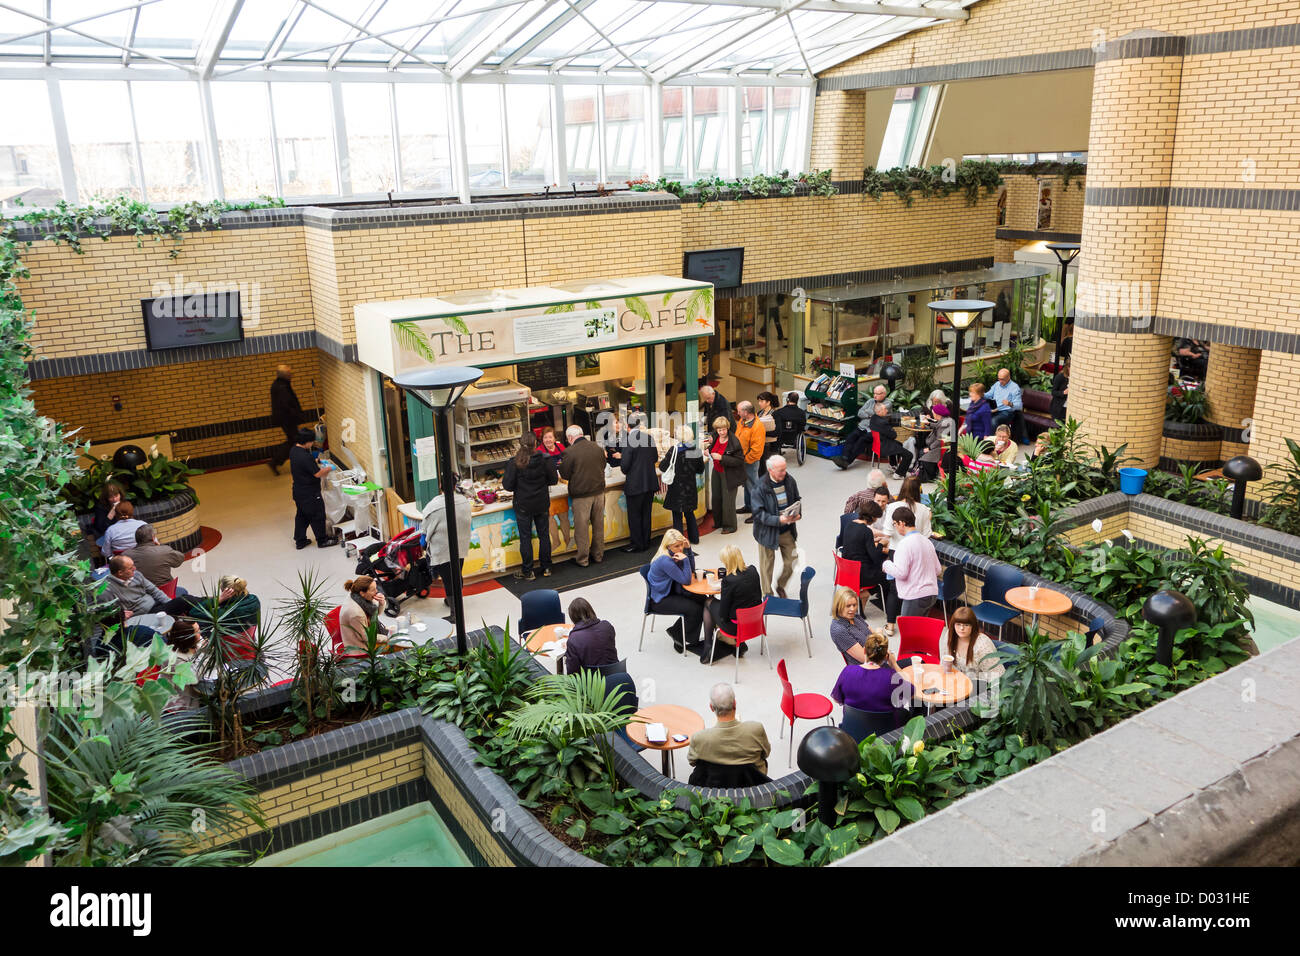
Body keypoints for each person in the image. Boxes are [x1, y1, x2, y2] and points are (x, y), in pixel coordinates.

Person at [503, 432, 559, 580]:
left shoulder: (515, 462)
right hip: (541, 503)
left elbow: (507, 486)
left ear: (521, 445)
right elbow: (553, 480)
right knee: (544, 535)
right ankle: (546, 567)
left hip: (523, 505)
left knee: (525, 538)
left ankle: (528, 571)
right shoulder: (545, 459)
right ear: (536, 444)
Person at [687, 683, 771, 779]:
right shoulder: (756, 729)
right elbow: (766, 753)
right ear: (735, 703)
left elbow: (692, 761)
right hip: (752, 786)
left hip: (715, 788)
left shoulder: (699, 738)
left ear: (711, 707)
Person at [646, 529, 711, 652]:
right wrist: (685, 559)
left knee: (704, 600)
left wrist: (689, 549)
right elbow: (686, 580)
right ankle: (679, 635)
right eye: (677, 546)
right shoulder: (665, 560)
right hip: (660, 599)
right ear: (668, 546)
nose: (680, 548)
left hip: (672, 591)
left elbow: (691, 570)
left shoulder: (673, 554)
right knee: (695, 609)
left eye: (682, 544)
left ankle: (678, 632)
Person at [830, 630, 908, 727]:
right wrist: (894, 664)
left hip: (852, 729)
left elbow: (837, 700)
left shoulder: (847, 671)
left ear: (864, 651)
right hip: (884, 732)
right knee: (910, 711)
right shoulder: (891, 677)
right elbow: (909, 693)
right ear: (886, 656)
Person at [751, 454, 801, 599]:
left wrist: (798, 514)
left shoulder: (789, 480)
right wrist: (779, 520)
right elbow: (759, 514)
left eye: (785, 469)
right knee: (767, 566)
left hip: (786, 530)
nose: (784, 473)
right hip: (767, 532)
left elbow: (797, 499)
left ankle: (780, 585)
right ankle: (767, 595)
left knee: (793, 561)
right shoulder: (760, 487)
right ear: (770, 470)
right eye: (781, 470)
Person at [420, 480, 474, 612]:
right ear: (455, 486)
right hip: (460, 545)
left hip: (441, 548)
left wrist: (424, 543)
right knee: (456, 574)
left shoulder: (433, 506)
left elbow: (426, 529)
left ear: (440, 486)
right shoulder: (464, 501)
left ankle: (455, 613)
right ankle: (453, 600)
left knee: (448, 579)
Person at [559, 424, 607, 567]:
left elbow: (565, 474)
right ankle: (598, 555)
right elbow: (603, 465)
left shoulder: (569, 452)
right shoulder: (597, 447)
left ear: (570, 437)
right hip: (599, 493)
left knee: (582, 529)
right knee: (599, 525)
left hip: (581, 496)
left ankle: (583, 559)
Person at [704, 545, 761, 663]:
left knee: (708, 602)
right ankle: (738, 644)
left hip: (736, 628)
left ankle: (708, 646)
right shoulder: (753, 570)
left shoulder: (728, 580)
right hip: (755, 622)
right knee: (741, 605)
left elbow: (723, 614)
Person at [881, 507, 941, 619]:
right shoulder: (927, 541)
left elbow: (901, 573)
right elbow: (937, 570)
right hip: (931, 594)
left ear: (902, 523)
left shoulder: (904, 544)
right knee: (920, 632)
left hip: (914, 596)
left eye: (895, 524)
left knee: (908, 632)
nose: (895, 527)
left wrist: (886, 564)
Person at [290, 428, 338, 549]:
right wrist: (329, 468)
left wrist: (317, 460)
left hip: (298, 491)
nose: (312, 443)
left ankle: (300, 541)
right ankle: (322, 540)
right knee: (317, 515)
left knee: (302, 516)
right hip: (310, 493)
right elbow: (317, 474)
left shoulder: (294, 450)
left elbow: (306, 464)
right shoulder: (305, 456)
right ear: (306, 441)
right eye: (312, 441)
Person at [103, 555, 192, 618]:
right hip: (145, 615)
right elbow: (107, 613)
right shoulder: (108, 589)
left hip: (156, 604)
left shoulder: (136, 575)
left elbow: (154, 590)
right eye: (130, 568)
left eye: (133, 565)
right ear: (120, 573)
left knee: (182, 601)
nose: (134, 569)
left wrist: (169, 603)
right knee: (183, 601)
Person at [619, 412, 659, 553]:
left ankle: (637, 544)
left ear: (627, 426)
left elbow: (624, 466)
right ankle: (646, 541)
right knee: (646, 514)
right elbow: (655, 458)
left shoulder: (629, 441)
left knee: (634, 516)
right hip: (650, 483)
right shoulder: (648, 437)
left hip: (635, 485)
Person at [661, 425, 705, 545]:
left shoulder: (674, 450)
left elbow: (662, 467)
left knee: (677, 516)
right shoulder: (695, 451)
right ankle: (694, 539)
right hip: (690, 487)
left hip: (676, 488)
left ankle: (678, 542)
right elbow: (700, 469)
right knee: (690, 514)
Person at [834, 384, 892, 470]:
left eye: (877, 394)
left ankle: (847, 461)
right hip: (863, 426)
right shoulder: (870, 401)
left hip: (876, 430)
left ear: (884, 394)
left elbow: (877, 412)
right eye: (874, 393)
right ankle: (845, 458)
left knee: (862, 440)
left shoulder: (888, 403)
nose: (875, 395)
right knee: (850, 437)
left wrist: (868, 412)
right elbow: (859, 413)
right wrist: (871, 414)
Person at [943, 606, 1005, 680]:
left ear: (973, 626)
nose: (961, 628)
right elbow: (945, 662)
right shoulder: (949, 636)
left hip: (981, 684)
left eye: (966, 625)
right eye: (958, 624)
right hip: (960, 679)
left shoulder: (982, 645)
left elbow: (996, 675)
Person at [560, 597, 619, 674]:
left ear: (573, 617)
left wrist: (570, 650)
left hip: (594, 682)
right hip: (616, 673)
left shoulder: (574, 639)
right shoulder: (607, 626)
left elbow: (572, 672)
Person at [708, 416, 745, 535]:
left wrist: (722, 458)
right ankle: (718, 522)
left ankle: (730, 526)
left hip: (729, 473)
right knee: (717, 498)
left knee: (728, 500)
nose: (722, 432)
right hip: (717, 471)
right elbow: (712, 448)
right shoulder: (715, 437)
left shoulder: (734, 441)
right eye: (719, 430)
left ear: (727, 428)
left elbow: (739, 460)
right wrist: (708, 451)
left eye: (724, 429)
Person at [840, 500, 888, 594]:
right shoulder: (866, 531)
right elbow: (875, 557)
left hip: (848, 572)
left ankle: (863, 596)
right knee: (888, 578)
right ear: (873, 517)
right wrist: (881, 543)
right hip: (861, 575)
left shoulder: (849, 525)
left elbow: (857, 542)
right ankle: (866, 594)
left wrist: (872, 541)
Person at [123, 523, 186, 588]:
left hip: (140, 593)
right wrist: (160, 546)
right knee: (183, 591)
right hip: (166, 591)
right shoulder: (164, 550)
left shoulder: (125, 556)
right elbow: (180, 559)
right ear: (153, 538)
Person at [269, 364, 306, 475]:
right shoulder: (282, 387)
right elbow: (287, 404)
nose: (292, 375)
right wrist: (296, 414)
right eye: (290, 373)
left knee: (293, 440)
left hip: (285, 418)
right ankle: (275, 461)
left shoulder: (279, 384)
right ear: (285, 375)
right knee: (293, 440)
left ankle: (276, 461)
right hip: (287, 418)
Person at [733, 401, 766, 521]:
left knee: (753, 486)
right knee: (746, 484)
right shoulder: (742, 422)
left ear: (746, 412)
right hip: (742, 459)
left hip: (750, 462)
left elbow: (756, 450)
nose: (737, 413)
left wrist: (744, 460)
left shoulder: (757, 427)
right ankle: (748, 506)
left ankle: (757, 512)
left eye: (739, 411)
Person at [339, 576, 390, 652]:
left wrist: (382, 603)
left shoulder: (358, 595)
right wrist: (386, 638)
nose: (376, 591)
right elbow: (364, 637)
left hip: (366, 630)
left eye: (376, 588)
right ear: (362, 593)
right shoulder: (356, 614)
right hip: (360, 646)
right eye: (373, 590)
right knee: (394, 645)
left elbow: (376, 613)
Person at [828, 586, 876, 663]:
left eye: (854, 605)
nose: (852, 609)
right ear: (838, 606)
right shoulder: (839, 630)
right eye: (848, 606)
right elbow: (867, 659)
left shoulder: (855, 616)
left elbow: (874, 635)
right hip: (867, 670)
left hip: (880, 659)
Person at [884, 476, 932, 543]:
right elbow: (926, 535)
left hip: (896, 550)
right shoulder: (925, 509)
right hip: (916, 548)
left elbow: (887, 533)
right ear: (919, 490)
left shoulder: (891, 506)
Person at [88, 481, 127, 558]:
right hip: (107, 536)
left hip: (123, 534)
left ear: (120, 494)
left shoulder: (124, 504)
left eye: (116, 495)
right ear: (106, 498)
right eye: (111, 497)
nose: (115, 499)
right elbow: (101, 528)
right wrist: (111, 513)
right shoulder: (100, 508)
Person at [988, 367, 1025, 443]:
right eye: (999, 379)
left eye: (1002, 379)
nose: (1000, 381)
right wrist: (980, 394)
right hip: (995, 409)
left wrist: (1010, 403)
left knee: (993, 421)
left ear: (1008, 377)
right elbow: (989, 394)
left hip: (1007, 412)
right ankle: (983, 439)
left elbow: (1019, 406)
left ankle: (993, 443)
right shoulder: (997, 384)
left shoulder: (1014, 388)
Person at [756, 391, 780, 468]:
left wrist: (762, 433)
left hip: (771, 446)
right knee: (761, 467)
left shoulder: (775, 414)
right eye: (759, 401)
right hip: (760, 443)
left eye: (761, 401)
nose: (759, 403)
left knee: (769, 468)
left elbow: (777, 432)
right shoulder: (759, 413)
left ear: (768, 402)